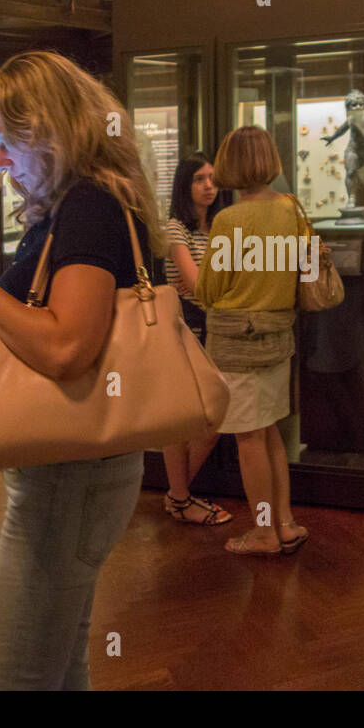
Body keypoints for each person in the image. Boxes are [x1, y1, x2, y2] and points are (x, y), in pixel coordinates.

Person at [0, 50, 166, 689]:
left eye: (5, 142)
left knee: (16, 676)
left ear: (47, 132)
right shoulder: (89, 202)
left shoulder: (88, 206)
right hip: (80, 472)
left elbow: (65, 348)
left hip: (68, 478)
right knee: (61, 663)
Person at [195, 126, 309, 556]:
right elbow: (305, 271)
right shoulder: (291, 210)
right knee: (270, 431)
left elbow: (206, 289)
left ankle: (263, 532)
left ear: (230, 164)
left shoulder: (229, 220)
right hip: (279, 338)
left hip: (238, 345)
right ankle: (284, 522)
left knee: (248, 439)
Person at [161, 153, 233, 525]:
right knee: (188, 416)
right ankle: (179, 497)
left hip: (217, 325)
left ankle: (177, 495)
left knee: (215, 414)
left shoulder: (220, 227)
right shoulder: (176, 229)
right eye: (199, 179)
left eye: (212, 179)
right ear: (184, 186)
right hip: (189, 328)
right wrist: (225, 289)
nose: (208, 186)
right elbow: (195, 284)